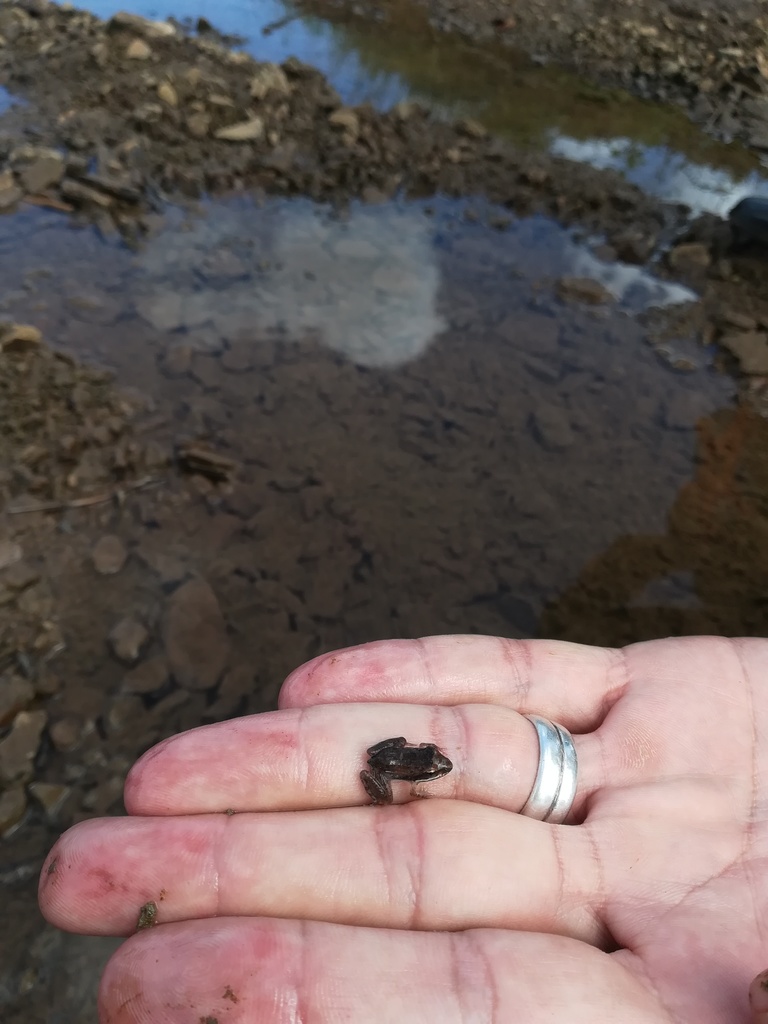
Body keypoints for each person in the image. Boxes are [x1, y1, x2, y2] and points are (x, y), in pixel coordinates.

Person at [38, 634, 768, 1022]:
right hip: (389, 761)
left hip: (405, 759)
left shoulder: (432, 764)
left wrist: (423, 776)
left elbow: (426, 760)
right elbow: (387, 760)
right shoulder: (406, 766)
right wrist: (393, 786)